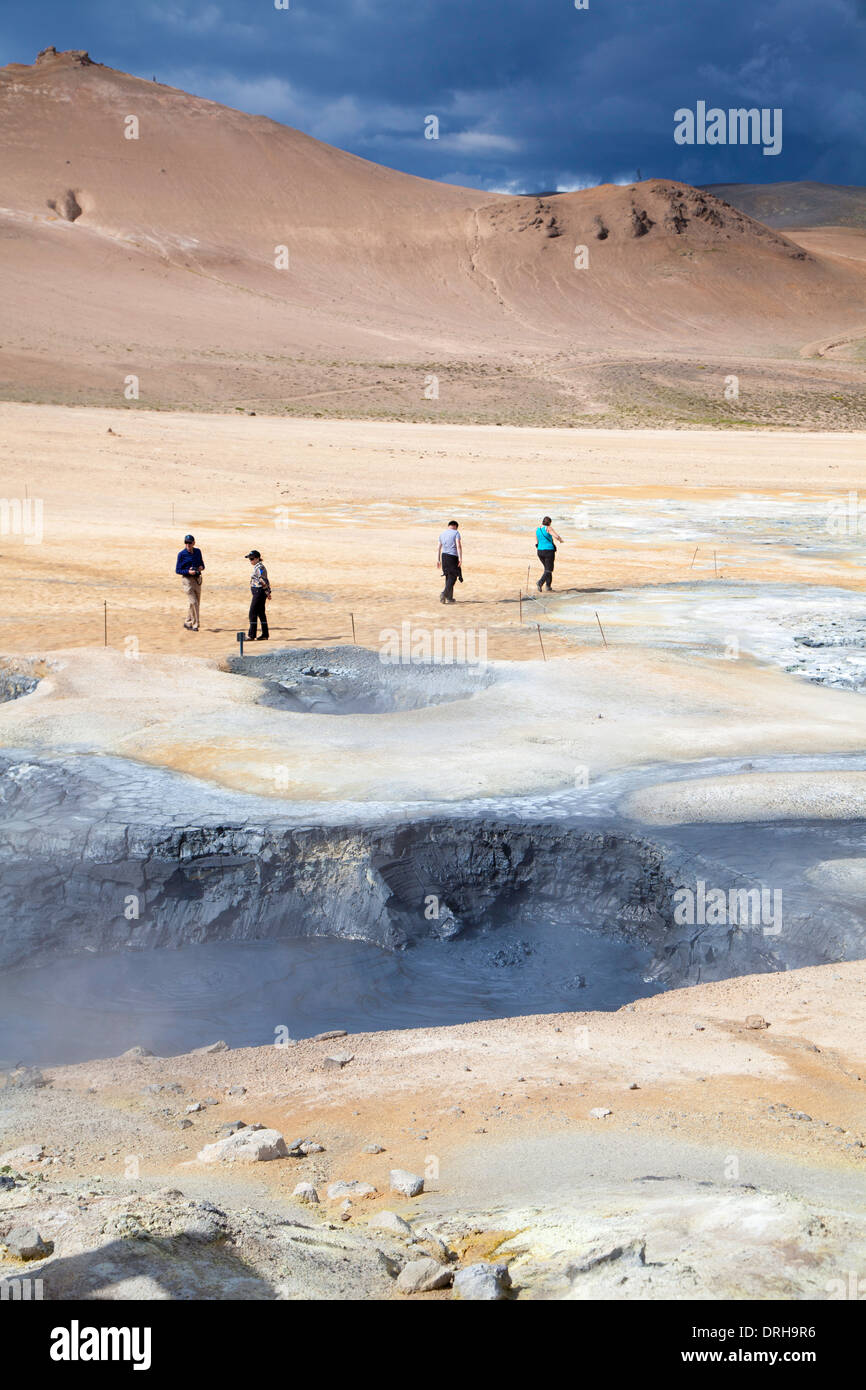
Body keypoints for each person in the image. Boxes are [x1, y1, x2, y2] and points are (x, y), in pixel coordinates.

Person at [175, 533, 205, 631]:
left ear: (193, 543)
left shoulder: (198, 552)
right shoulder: (181, 554)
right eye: (186, 542)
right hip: (187, 581)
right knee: (194, 602)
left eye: (189, 542)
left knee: (196, 603)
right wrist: (188, 571)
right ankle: (195, 624)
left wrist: (201, 567)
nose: (187, 544)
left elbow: (202, 564)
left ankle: (187, 622)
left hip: (197, 580)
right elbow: (178, 570)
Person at [246, 549, 271, 640]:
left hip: (259, 592)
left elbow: (263, 581)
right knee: (261, 613)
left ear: (257, 558)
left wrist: (267, 592)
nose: (250, 561)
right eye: (250, 559)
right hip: (258, 592)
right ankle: (265, 634)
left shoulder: (260, 567)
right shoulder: (257, 567)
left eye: (252, 559)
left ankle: (251, 635)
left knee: (252, 613)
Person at [437, 520, 463, 604]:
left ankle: (449, 598)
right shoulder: (456, 533)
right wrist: (460, 558)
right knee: (453, 576)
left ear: (449, 526)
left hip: (444, 556)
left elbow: (438, 548)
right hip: (452, 556)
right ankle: (444, 593)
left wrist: (438, 560)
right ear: (455, 526)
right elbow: (458, 545)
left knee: (448, 576)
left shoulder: (442, 534)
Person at [535, 516, 563, 592]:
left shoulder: (538, 529)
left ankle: (548, 586)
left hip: (540, 551)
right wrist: (560, 540)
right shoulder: (548, 528)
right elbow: (556, 536)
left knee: (547, 569)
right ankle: (540, 582)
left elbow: (537, 541)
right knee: (549, 569)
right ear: (549, 523)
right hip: (548, 551)